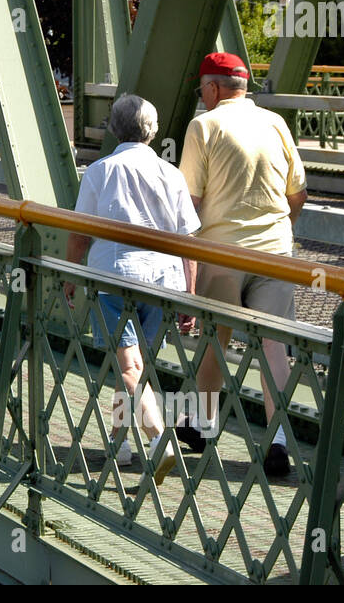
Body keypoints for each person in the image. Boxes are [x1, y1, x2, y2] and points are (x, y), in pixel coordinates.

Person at [177, 52, 308, 477]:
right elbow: (297, 195)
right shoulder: (275, 123)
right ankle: (279, 437)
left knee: (216, 336)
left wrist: (185, 261)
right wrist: (278, 230)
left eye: (202, 91)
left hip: (223, 252)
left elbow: (190, 202)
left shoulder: (204, 126)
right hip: (275, 252)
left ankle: (201, 423)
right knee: (275, 345)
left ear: (212, 89)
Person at [67, 94, 200, 485]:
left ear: (112, 128)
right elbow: (188, 241)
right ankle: (119, 443)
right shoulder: (171, 174)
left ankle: (159, 440)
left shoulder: (99, 172)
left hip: (113, 279)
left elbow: (79, 234)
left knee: (128, 366)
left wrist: (71, 275)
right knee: (136, 366)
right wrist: (189, 292)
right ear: (154, 131)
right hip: (162, 281)